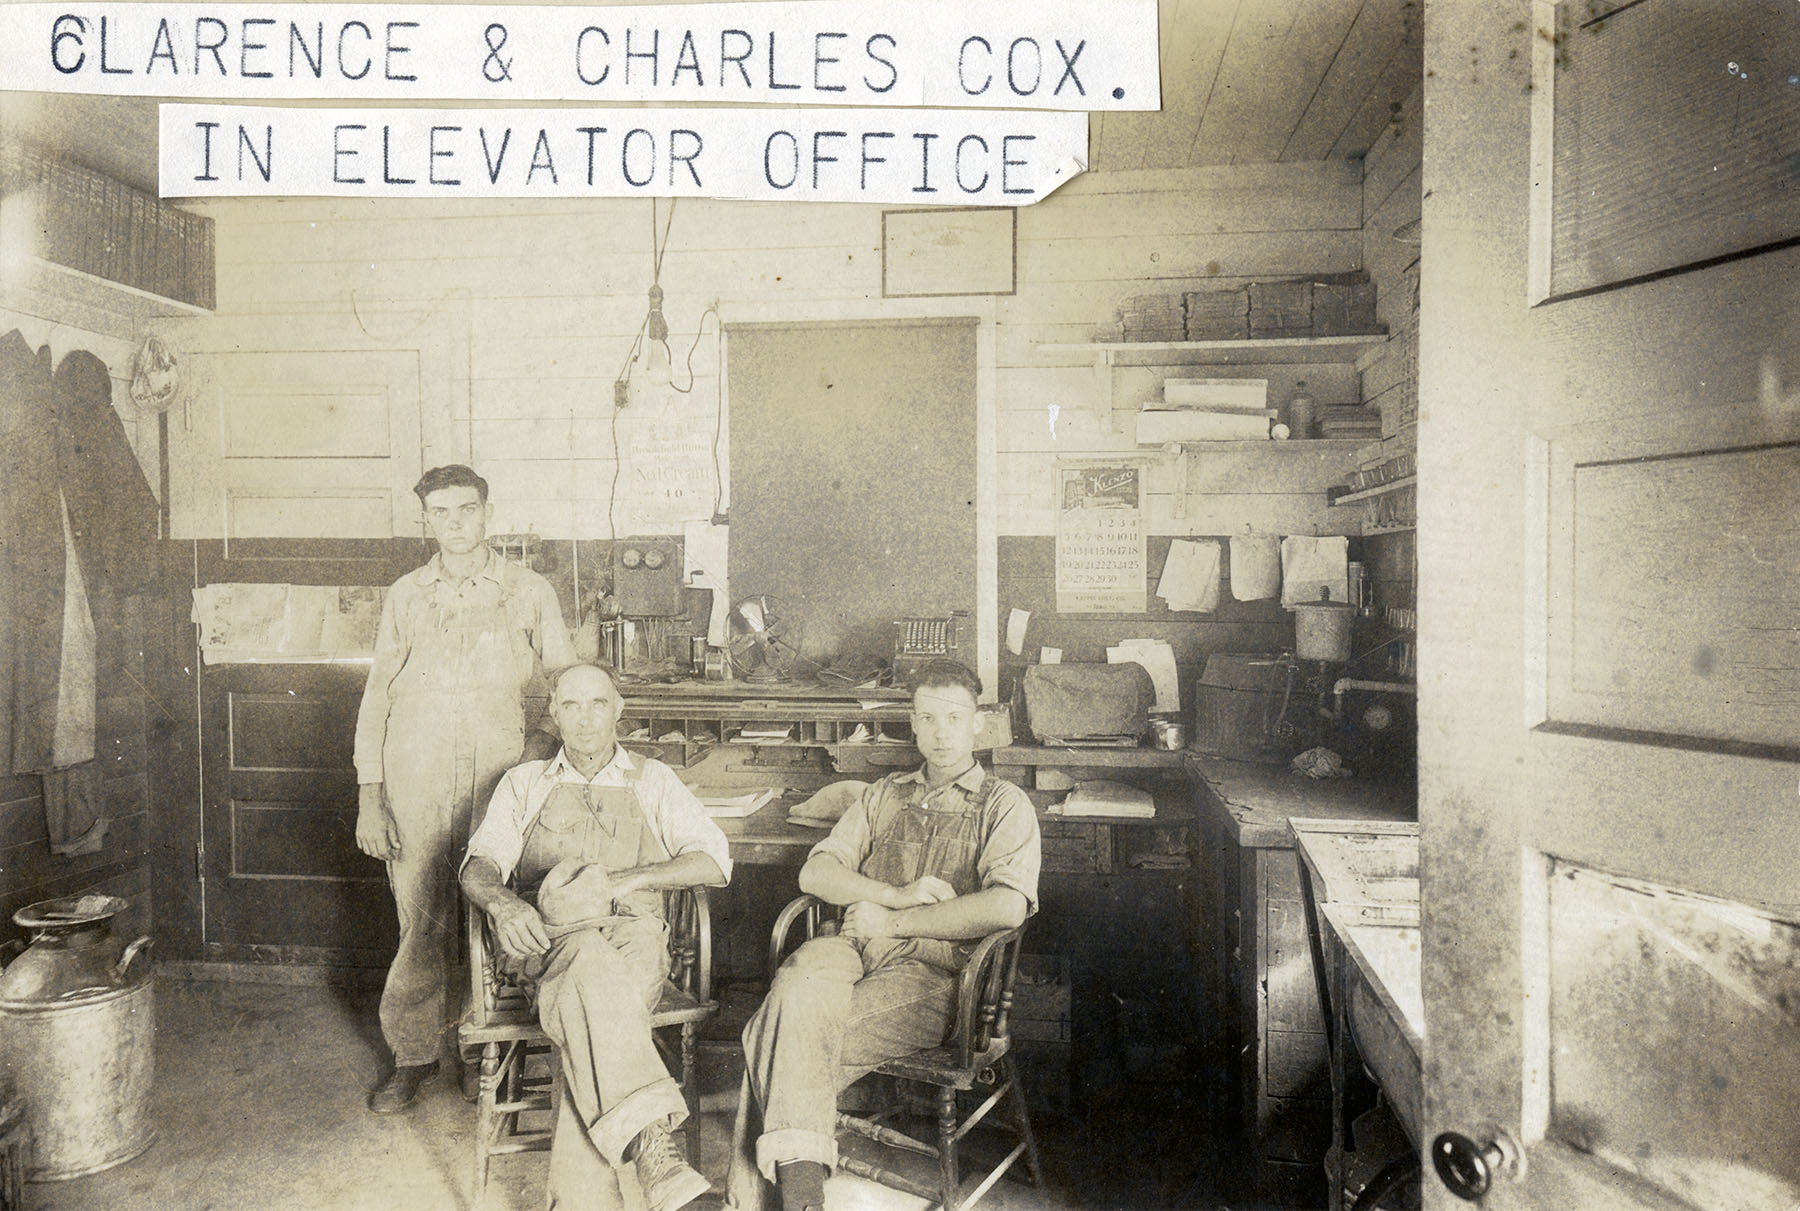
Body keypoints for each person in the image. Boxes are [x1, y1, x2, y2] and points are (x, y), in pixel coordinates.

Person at [726, 659, 1042, 1211]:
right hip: (850, 944)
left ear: (978, 723)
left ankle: (782, 1200)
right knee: (797, 984)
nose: (941, 732)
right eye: (928, 718)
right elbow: (816, 873)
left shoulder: (1003, 804)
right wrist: (893, 896)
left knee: (779, 1034)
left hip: (937, 971)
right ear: (912, 724)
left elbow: (1007, 905)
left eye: (954, 717)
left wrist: (894, 923)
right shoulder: (883, 794)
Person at [461, 661, 731, 1211]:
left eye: (598, 704)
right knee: (588, 972)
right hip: (549, 943)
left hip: (635, 938)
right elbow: (478, 866)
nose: (585, 719)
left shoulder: (653, 780)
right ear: (554, 715)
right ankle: (658, 1156)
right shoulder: (525, 782)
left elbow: (713, 861)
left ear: (618, 711)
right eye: (572, 706)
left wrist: (631, 879)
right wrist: (504, 903)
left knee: (585, 1017)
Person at [354, 464, 576, 1113]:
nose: (454, 524)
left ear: (487, 513)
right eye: (441, 512)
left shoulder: (528, 589)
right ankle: (414, 1056)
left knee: (499, 909)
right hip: (414, 776)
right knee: (420, 917)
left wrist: (536, 756)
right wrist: (370, 794)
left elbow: (565, 681)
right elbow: (377, 696)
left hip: (499, 776)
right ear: (426, 520)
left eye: (466, 509)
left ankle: (493, 1050)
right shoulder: (407, 594)